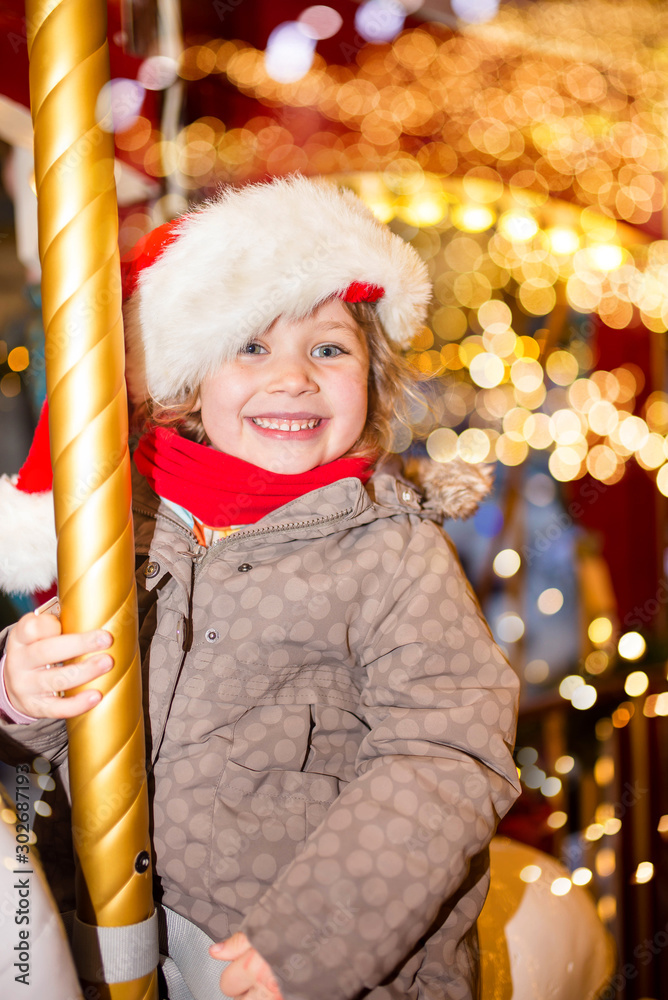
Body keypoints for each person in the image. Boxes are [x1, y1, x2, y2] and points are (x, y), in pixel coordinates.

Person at [0, 175, 520, 1000]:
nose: (292, 378)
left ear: (373, 378)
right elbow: (40, 771)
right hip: (111, 937)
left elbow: (446, 752)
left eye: (328, 348)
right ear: (187, 384)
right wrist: (23, 697)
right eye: (250, 346)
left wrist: (314, 934)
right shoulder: (118, 533)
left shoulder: (389, 552)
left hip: (304, 962)